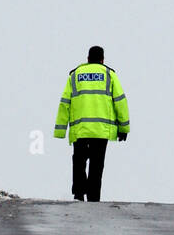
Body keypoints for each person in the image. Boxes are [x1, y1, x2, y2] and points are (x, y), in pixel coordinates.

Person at [54, 45, 130, 201]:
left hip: (80, 129)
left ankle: (79, 193)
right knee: (97, 164)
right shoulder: (109, 75)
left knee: (79, 160)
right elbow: (120, 102)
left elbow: (64, 103)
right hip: (101, 130)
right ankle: (94, 197)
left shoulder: (75, 75)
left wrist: (60, 131)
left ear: (87, 59)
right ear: (102, 60)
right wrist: (123, 128)